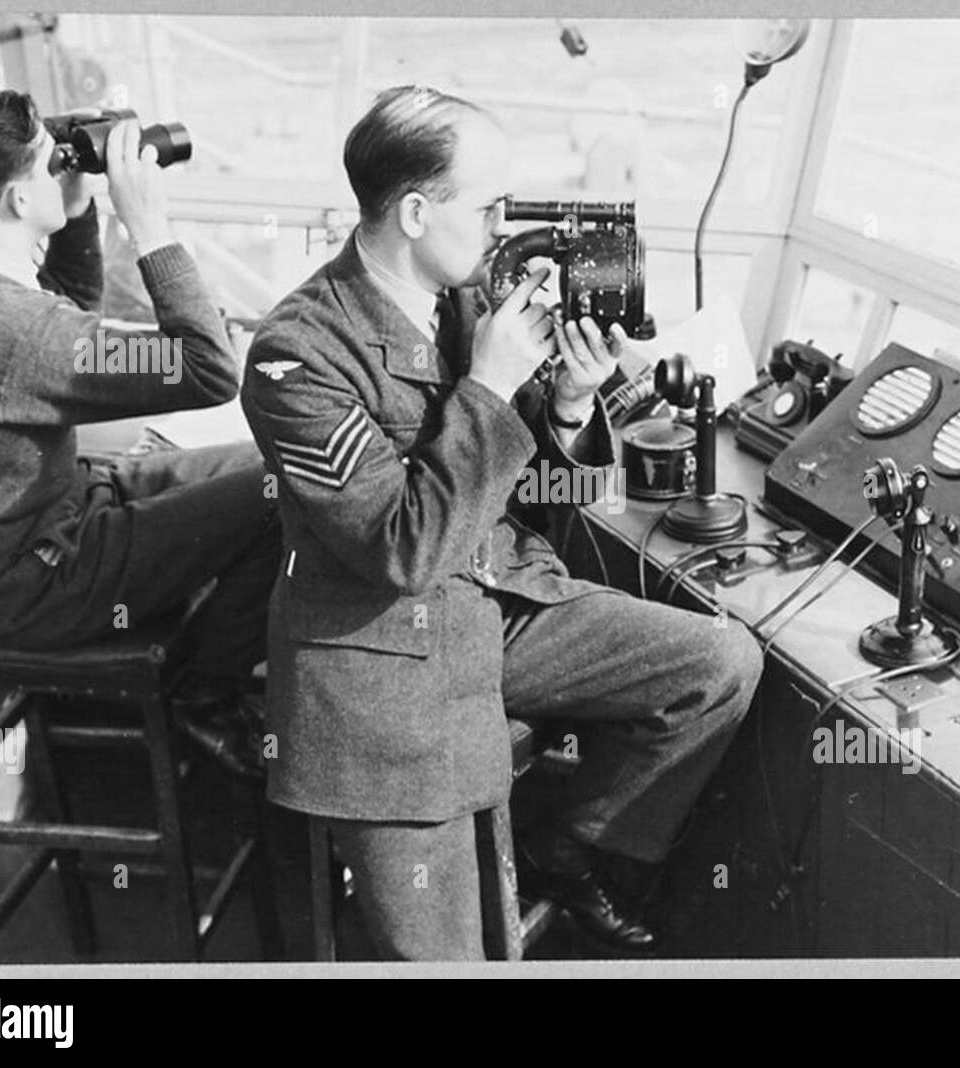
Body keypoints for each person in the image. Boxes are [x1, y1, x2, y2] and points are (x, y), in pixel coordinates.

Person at [240, 85, 764, 959]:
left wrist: (563, 404)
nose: (504, 228)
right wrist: (485, 390)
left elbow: (544, 508)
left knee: (718, 664)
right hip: (382, 664)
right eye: (488, 207)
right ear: (414, 211)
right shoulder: (297, 355)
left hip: (495, 600)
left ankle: (567, 845)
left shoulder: (466, 305)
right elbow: (399, 552)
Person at [0, 89, 278, 777]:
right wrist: (148, 224)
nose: (58, 170)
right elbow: (209, 370)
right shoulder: (7, 328)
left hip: (30, 534)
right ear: (12, 202)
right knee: (288, 496)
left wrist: (74, 200)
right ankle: (208, 698)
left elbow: (64, 311)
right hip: (43, 582)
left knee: (266, 463)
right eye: (45, 165)